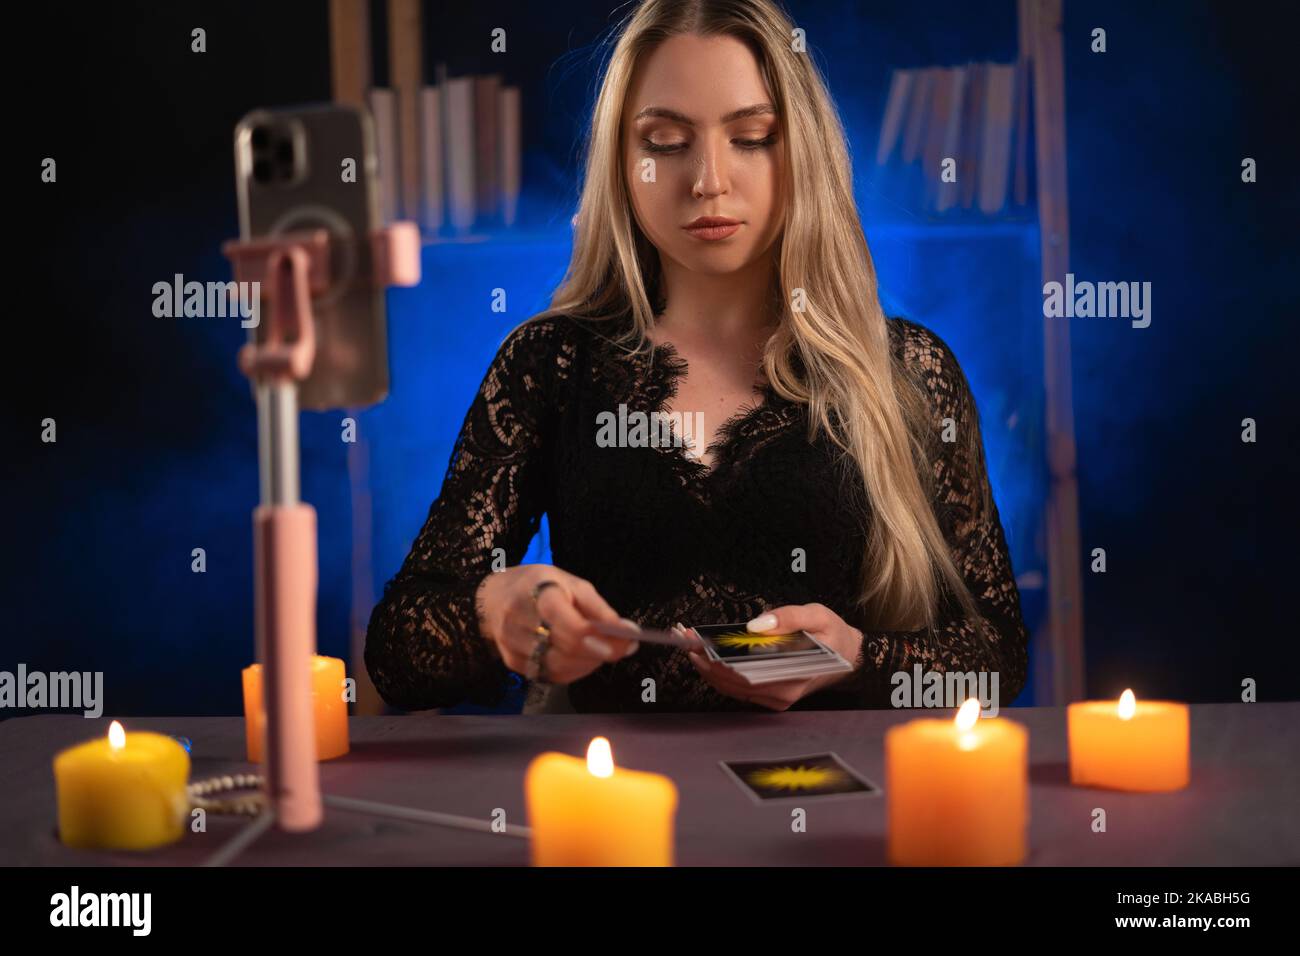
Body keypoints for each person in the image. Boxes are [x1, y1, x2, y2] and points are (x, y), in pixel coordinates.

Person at [365, 0, 1028, 714]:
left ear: (802, 149)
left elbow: (996, 662)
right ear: (622, 161)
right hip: (612, 810)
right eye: (665, 142)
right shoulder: (549, 365)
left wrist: (858, 659)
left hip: (844, 813)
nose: (708, 179)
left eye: (750, 137)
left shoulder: (910, 372)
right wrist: (495, 612)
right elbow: (396, 657)